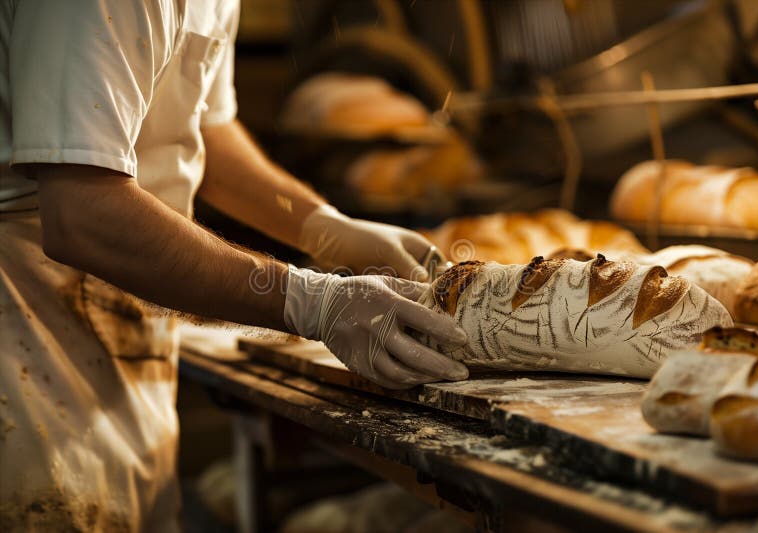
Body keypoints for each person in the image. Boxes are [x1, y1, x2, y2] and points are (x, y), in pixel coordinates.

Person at [0, 1, 469, 530]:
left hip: (117, 319)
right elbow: (82, 212)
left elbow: (203, 128)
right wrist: (306, 300)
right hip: (23, 325)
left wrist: (324, 226)